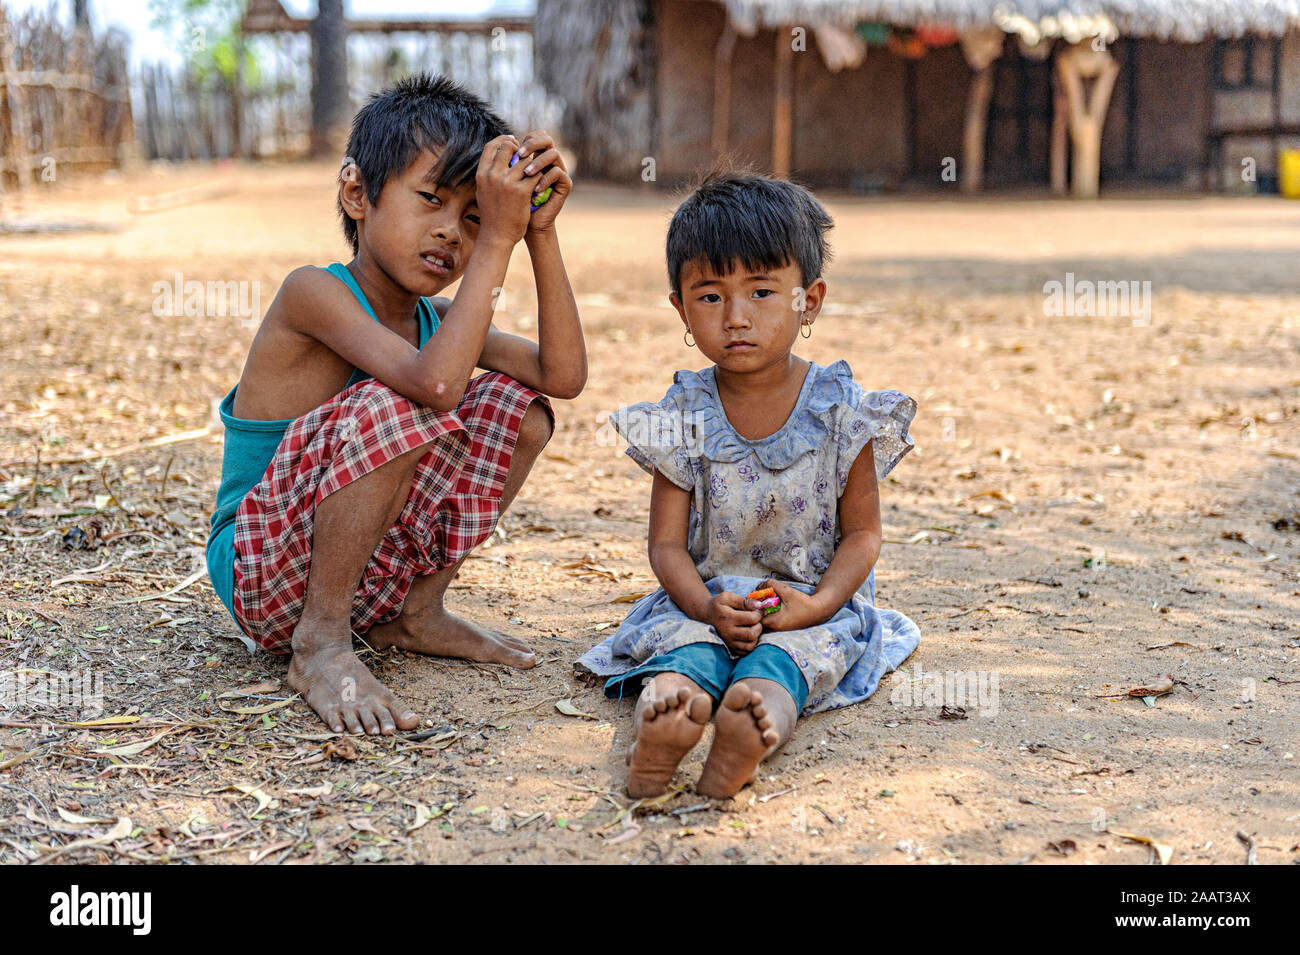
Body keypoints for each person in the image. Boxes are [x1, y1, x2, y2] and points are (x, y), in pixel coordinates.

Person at [204, 74, 585, 736]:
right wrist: (496, 239)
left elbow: (562, 374)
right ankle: (320, 642)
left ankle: (415, 610)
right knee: (402, 402)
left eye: (472, 217)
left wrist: (536, 234)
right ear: (358, 193)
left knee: (517, 407)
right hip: (260, 569)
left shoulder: (436, 321)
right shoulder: (313, 294)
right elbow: (431, 387)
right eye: (431, 200)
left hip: (366, 578)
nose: (451, 234)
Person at [576, 168, 918, 798]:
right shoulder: (681, 414)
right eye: (710, 297)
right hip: (704, 602)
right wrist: (705, 606)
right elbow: (666, 546)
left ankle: (749, 731)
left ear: (807, 300)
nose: (736, 317)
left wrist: (816, 606)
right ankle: (667, 719)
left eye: (762, 292)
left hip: (810, 605)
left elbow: (864, 537)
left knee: (788, 666)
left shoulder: (845, 410)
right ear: (680, 307)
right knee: (684, 654)